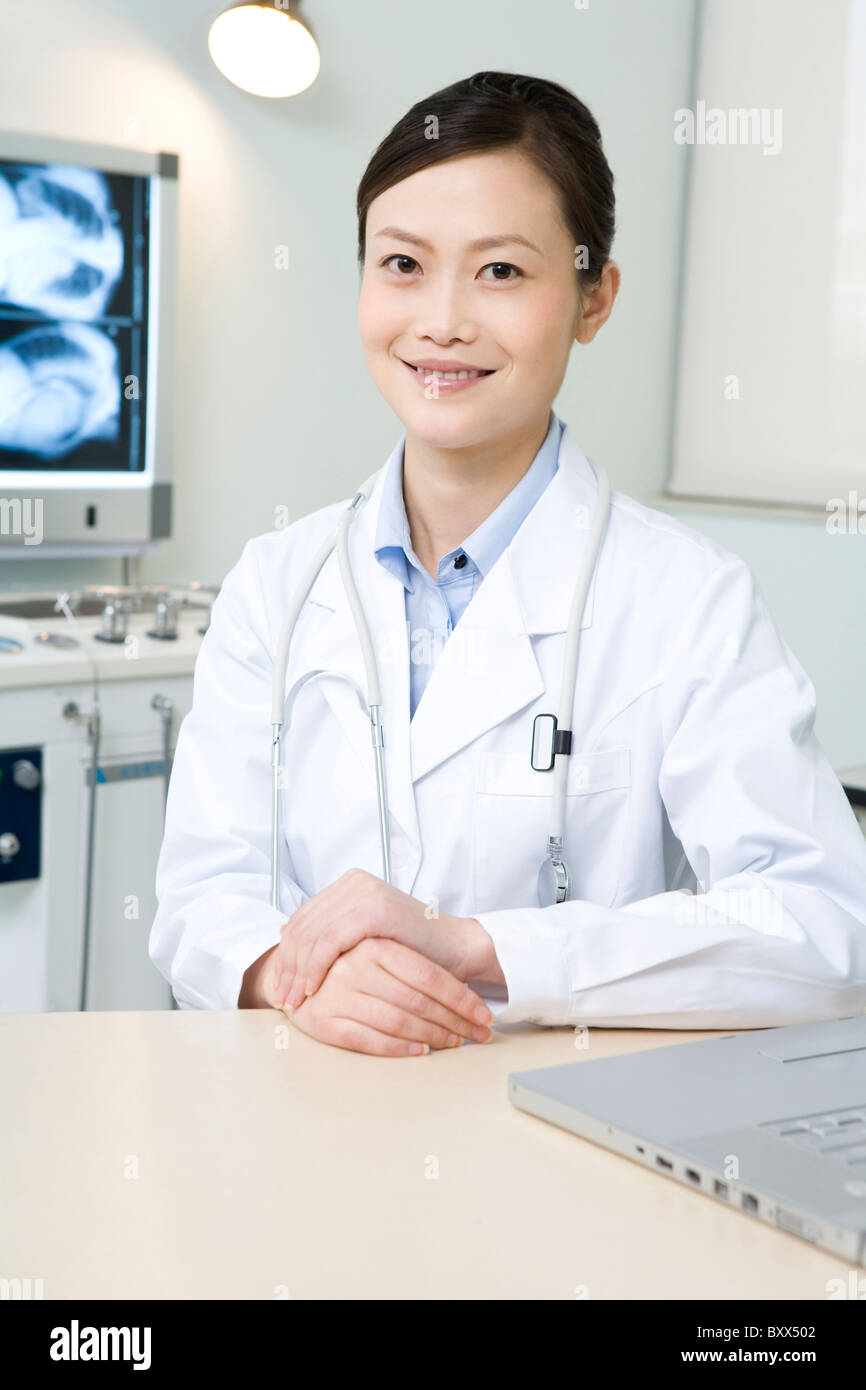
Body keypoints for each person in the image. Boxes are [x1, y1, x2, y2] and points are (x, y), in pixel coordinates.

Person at [150, 71, 866, 1054]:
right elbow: (198, 894)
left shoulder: (684, 596)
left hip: (556, 1125)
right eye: (401, 264)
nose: (441, 320)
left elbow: (820, 929)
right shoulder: (276, 582)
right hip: (300, 1103)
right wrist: (287, 972)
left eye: (499, 272)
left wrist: (476, 947)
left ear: (591, 297)